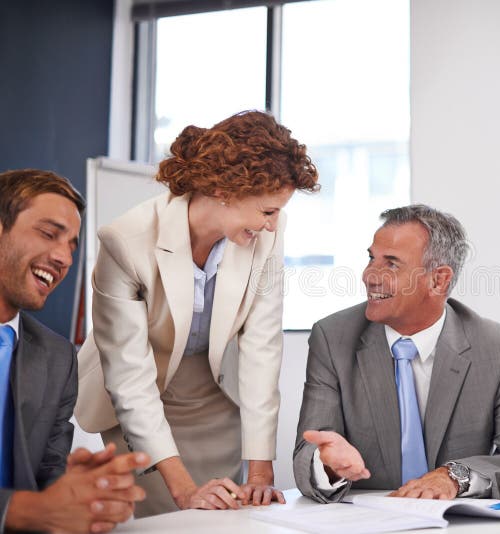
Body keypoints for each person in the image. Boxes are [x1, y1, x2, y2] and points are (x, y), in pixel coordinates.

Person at [75, 110, 319, 517]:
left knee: (226, 517)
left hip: (214, 398)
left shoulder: (264, 236)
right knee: (163, 519)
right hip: (140, 397)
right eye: (267, 211)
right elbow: (130, 378)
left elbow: (262, 348)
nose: (274, 226)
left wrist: (260, 471)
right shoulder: (126, 242)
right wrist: (185, 490)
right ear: (227, 189)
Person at [294, 204, 500, 503]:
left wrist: (455, 476)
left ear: (438, 280)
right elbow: (308, 451)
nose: (368, 275)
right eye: (371, 258)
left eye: (391, 264)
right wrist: (327, 465)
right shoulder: (333, 338)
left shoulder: (498, 349)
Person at [0, 169, 149, 533]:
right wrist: (24, 510)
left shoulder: (57, 356)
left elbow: (49, 467)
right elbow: (33, 506)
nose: (64, 257)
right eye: (49, 234)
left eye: (71, 244)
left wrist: (80, 493)